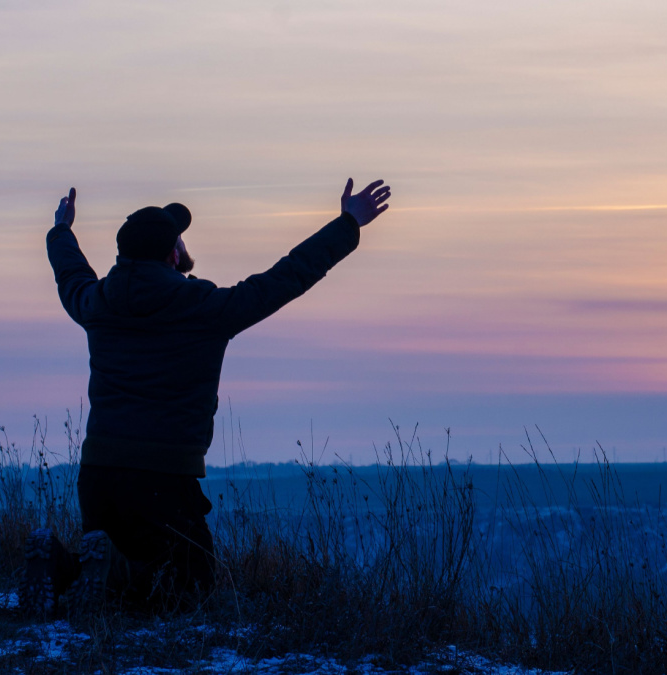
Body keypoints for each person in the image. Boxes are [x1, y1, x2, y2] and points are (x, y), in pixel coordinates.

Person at [21, 178, 391, 615]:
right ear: (172, 254)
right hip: (163, 480)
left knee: (113, 567)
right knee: (188, 589)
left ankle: (61, 565)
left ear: (122, 256)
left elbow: (70, 273)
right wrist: (349, 224)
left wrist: (61, 231)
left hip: (99, 476)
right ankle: (112, 573)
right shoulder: (203, 306)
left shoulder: (96, 301)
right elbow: (283, 279)